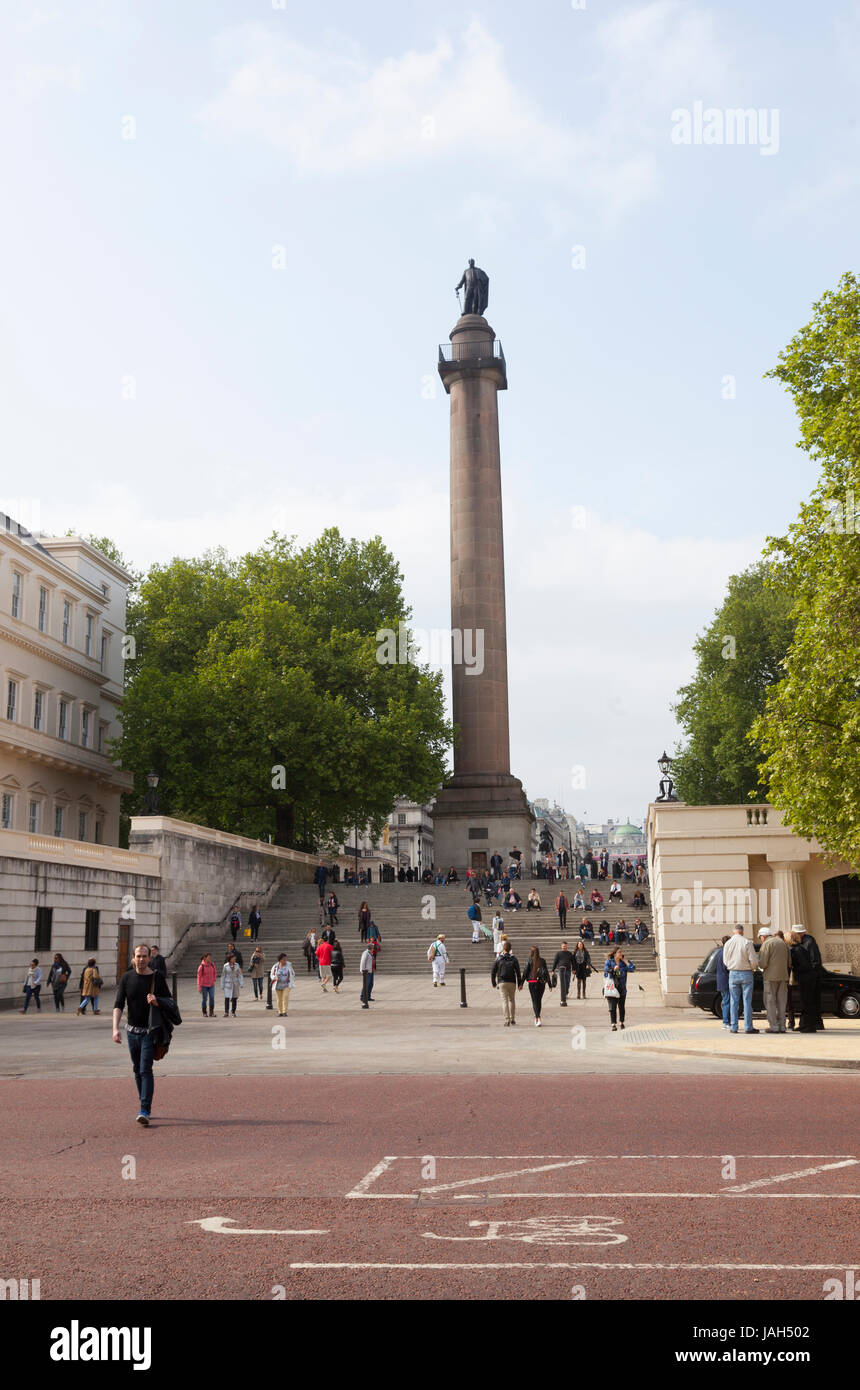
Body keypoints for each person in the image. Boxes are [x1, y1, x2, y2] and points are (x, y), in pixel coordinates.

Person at [113, 944, 173, 1125]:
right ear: (133, 958)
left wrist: (157, 1001)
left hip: (149, 1032)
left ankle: (145, 1109)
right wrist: (115, 1028)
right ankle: (143, 1101)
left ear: (149, 958)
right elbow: (118, 1004)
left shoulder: (157, 978)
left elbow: (170, 1001)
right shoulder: (127, 977)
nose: (141, 960)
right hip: (131, 1032)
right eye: (138, 956)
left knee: (145, 1068)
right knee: (136, 1069)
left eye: (144, 956)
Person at [722, 924, 760, 1034]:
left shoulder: (728, 943)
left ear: (734, 932)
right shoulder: (747, 942)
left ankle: (734, 1027)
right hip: (746, 973)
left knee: (734, 1001)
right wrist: (753, 968)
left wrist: (731, 966)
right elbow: (753, 960)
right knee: (747, 1001)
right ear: (742, 932)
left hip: (733, 973)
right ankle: (748, 1027)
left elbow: (725, 961)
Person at [757, 927, 791, 1034]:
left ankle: (774, 1026)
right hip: (783, 976)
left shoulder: (766, 944)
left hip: (770, 977)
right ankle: (782, 1026)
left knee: (770, 1002)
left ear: (763, 936)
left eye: (760, 938)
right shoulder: (783, 943)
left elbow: (763, 963)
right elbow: (789, 962)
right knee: (782, 1002)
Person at [789, 930, 819, 1033]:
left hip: (806, 978)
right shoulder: (798, 948)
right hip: (805, 977)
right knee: (804, 1002)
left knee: (807, 1002)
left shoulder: (797, 950)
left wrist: (794, 968)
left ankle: (810, 1026)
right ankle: (804, 1024)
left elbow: (805, 965)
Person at [491, 939, 523, 1026]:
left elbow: (493, 971)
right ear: (510, 949)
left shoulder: (498, 959)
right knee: (512, 1000)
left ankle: (507, 1019)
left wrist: (494, 983)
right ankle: (513, 1019)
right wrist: (520, 983)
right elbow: (518, 972)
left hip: (502, 982)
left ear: (503, 949)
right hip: (512, 981)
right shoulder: (514, 959)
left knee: (504, 1001)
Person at [603, 947, 636, 1030]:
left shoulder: (623, 963)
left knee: (621, 1007)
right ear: (615, 954)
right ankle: (613, 1024)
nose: (621, 953)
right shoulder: (609, 962)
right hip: (612, 987)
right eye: (619, 952)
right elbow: (605, 970)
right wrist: (613, 970)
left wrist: (625, 960)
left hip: (622, 988)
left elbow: (632, 968)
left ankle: (622, 1022)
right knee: (612, 1007)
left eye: (621, 952)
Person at [799, 926, 825, 1029]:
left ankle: (811, 1024)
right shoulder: (806, 942)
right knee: (810, 1000)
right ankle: (811, 1023)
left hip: (811, 975)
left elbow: (815, 961)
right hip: (810, 974)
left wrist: (810, 972)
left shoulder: (809, 942)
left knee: (810, 1000)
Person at [523, 945, 553, 1026]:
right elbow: (546, 972)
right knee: (538, 1000)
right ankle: (537, 1017)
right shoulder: (542, 961)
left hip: (532, 982)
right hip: (541, 983)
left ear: (531, 952)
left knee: (534, 1000)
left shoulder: (530, 960)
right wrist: (550, 985)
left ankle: (537, 1018)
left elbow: (525, 972)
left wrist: (521, 983)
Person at [715, 935, 731, 1029]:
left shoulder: (720, 952)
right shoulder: (725, 952)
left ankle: (726, 1021)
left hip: (721, 981)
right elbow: (727, 967)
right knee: (727, 1001)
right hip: (726, 980)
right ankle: (726, 1022)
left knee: (726, 1001)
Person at [552, 941, 574, 1007]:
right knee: (562, 982)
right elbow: (555, 962)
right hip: (561, 970)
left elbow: (573, 962)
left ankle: (566, 993)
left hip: (568, 970)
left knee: (567, 982)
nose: (564, 947)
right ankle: (563, 995)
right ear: (561, 946)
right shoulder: (558, 953)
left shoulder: (569, 953)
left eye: (565, 946)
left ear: (567, 946)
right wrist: (553, 970)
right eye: (563, 946)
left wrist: (574, 969)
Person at [197, 952, 217, 1017]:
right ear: (205, 958)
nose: (210, 959)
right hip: (204, 985)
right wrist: (199, 987)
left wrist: (214, 979)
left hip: (211, 984)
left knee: (212, 997)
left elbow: (214, 972)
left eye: (210, 957)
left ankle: (211, 1012)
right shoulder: (201, 967)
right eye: (208, 958)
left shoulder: (212, 965)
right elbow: (199, 978)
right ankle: (204, 1012)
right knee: (204, 999)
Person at [359, 943, 375, 1007]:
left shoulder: (370, 953)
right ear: (371, 948)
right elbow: (363, 961)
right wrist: (362, 970)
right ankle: (363, 996)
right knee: (366, 984)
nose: (374, 949)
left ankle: (368, 996)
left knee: (371, 983)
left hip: (371, 970)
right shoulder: (365, 953)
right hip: (366, 971)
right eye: (373, 947)